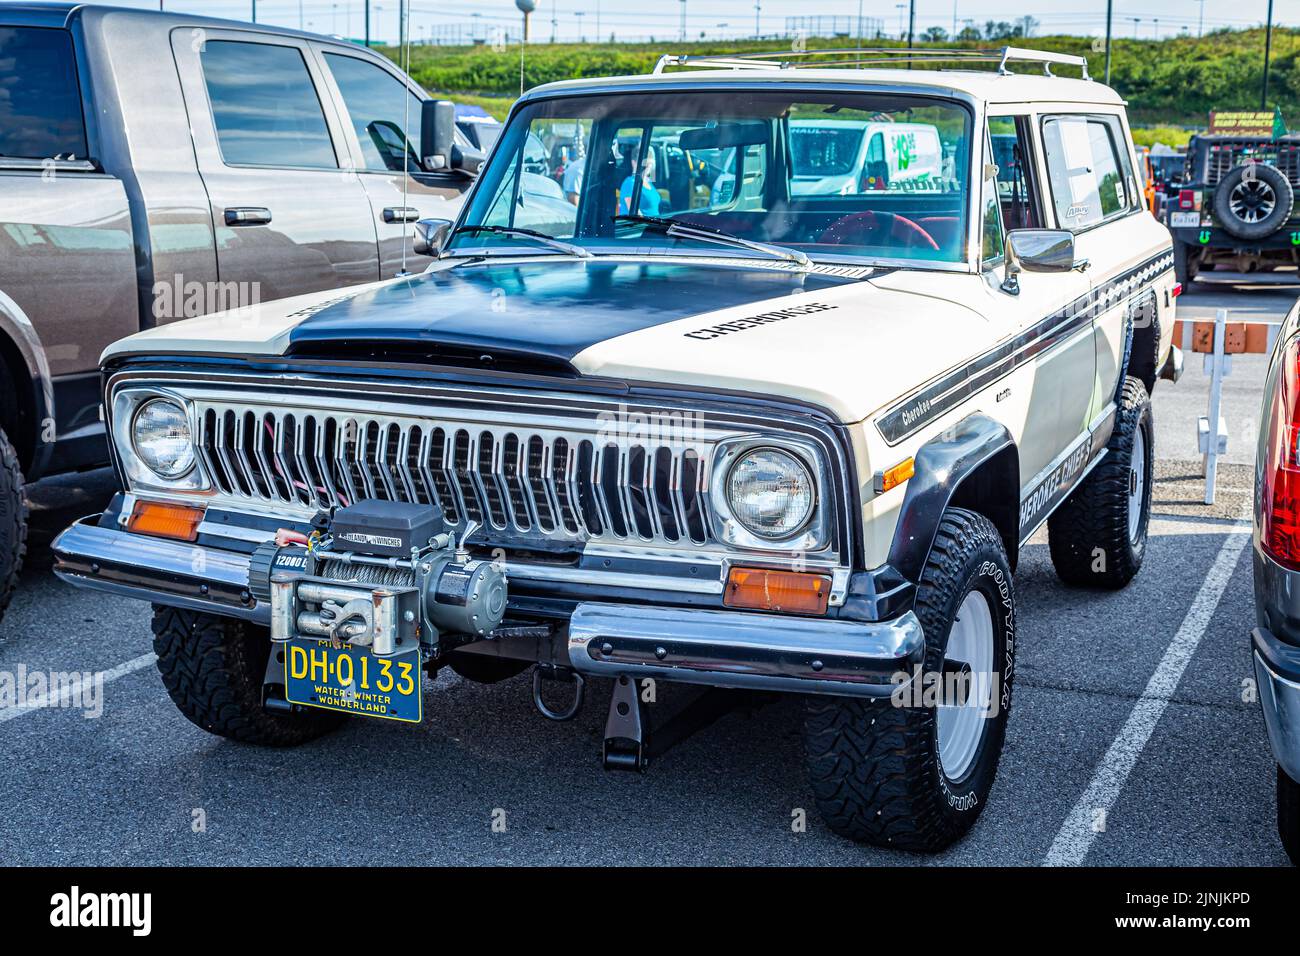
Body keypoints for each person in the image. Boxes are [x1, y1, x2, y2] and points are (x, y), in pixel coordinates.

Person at [619, 149, 661, 216]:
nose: (648, 168)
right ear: (633, 163)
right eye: (645, 165)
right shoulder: (629, 183)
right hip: (642, 226)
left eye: (650, 165)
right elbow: (636, 216)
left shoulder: (649, 182)